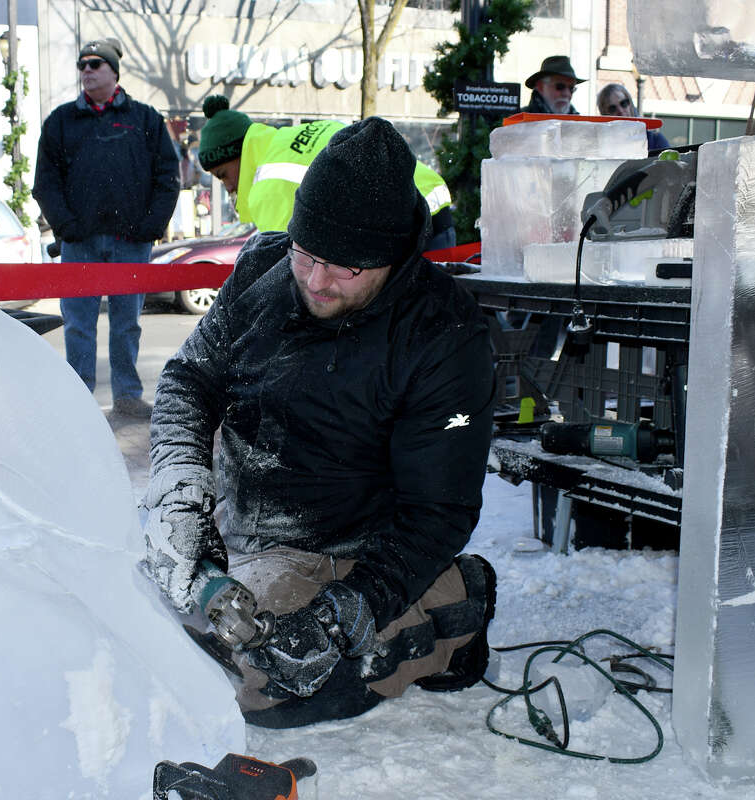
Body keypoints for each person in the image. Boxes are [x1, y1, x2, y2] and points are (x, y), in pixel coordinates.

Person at [142, 118, 498, 729]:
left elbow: (438, 510)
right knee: (141, 619)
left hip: (347, 547)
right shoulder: (264, 268)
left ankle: (449, 606)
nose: (314, 280)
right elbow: (188, 381)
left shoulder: (445, 335)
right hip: (243, 523)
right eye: (306, 254)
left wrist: (351, 606)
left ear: (391, 255)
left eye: (343, 269)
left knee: (251, 684)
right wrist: (182, 493)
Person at [33, 38, 179, 419]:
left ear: (114, 71)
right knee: (78, 325)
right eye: (82, 64)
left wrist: (150, 226)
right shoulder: (60, 122)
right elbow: (45, 182)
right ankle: (80, 402)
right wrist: (66, 227)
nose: (87, 70)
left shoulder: (145, 119)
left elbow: (168, 176)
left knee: (126, 325)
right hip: (79, 244)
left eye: (96, 63)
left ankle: (128, 397)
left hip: (131, 242)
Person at [197, 96, 456, 249]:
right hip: (429, 205)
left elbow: (289, 267)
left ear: (238, 153)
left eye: (222, 174)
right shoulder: (286, 139)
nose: (228, 185)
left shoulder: (268, 186)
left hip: (405, 229)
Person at [596, 82, 671, 151]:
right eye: (612, 108)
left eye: (623, 103)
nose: (620, 111)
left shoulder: (654, 140)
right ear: (604, 114)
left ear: (630, 104)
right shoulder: (600, 145)